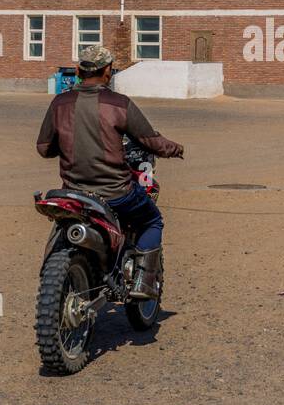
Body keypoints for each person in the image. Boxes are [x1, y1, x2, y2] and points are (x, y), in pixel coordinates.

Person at [36, 45, 184, 299]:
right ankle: (143, 283)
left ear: (77, 71)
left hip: (73, 193)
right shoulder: (119, 103)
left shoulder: (59, 103)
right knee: (152, 220)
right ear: (107, 72)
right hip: (116, 193)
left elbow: (44, 148)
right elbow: (150, 141)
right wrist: (175, 148)